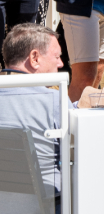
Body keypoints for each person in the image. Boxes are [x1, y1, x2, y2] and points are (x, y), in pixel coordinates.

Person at [0, 24, 64, 206]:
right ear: (34, 58)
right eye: (57, 56)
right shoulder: (53, 100)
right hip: (44, 204)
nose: (60, 63)